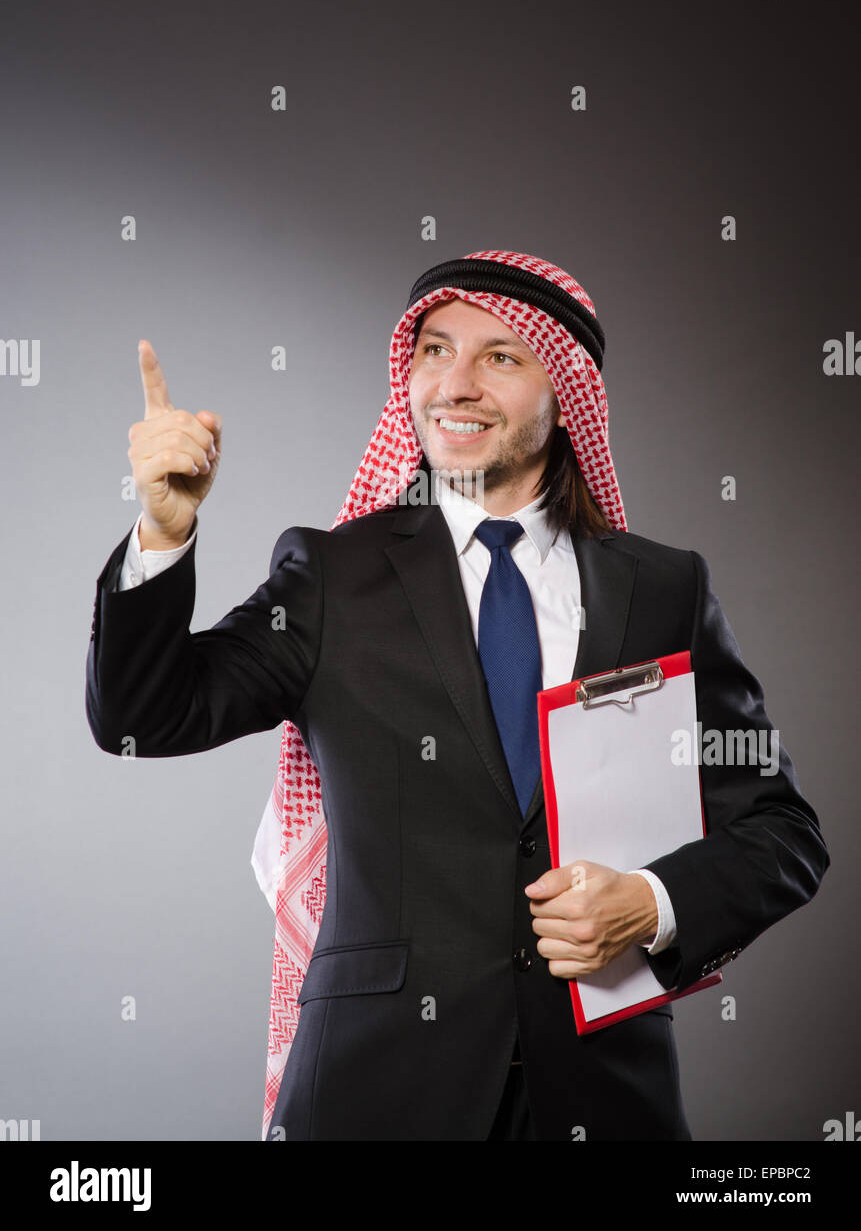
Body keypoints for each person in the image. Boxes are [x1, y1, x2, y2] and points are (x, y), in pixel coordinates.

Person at [85, 249, 829, 1142]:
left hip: (602, 1096)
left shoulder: (662, 590)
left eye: (500, 357)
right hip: (376, 1090)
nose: (455, 384)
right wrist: (162, 535)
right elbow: (142, 715)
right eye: (434, 351)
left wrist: (651, 901)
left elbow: (782, 832)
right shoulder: (334, 576)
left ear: (566, 394)